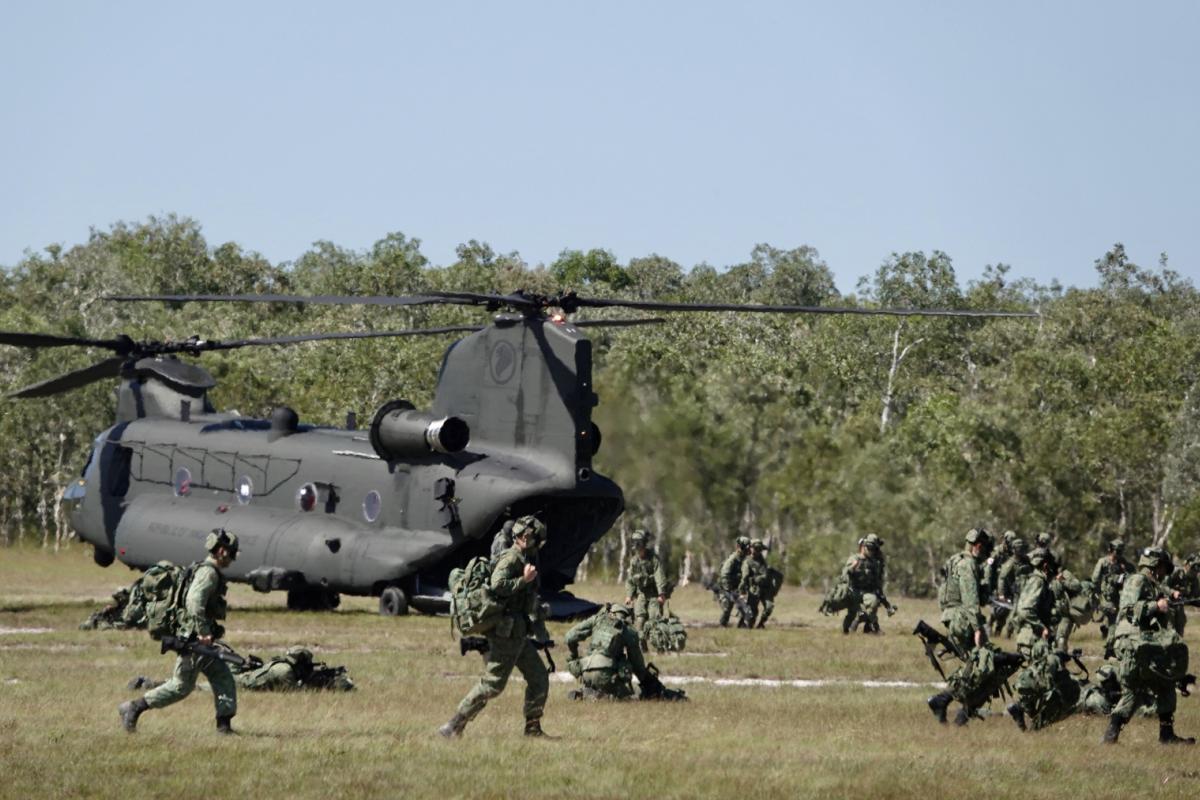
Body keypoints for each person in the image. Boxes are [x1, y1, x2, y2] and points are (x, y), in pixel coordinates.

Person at [118, 528, 240, 734]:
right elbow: (194, 602)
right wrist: (202, 632)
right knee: (180, 686)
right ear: (222, 551)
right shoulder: (208, 573)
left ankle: (224, 727)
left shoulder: (204, 570)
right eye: (232, 553)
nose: (233, 558)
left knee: (222, 678)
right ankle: (134, 707)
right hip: (195, 640)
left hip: (197, 639)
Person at [439, 515, 551, 738]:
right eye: (537, 540)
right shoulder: (511, 559)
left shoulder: (523, 558)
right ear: (527, 538)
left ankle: (532, 728)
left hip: (518, 632)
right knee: (493, 684)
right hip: (506, 634)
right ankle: (453, 725)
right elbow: (497, 585)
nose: (539, 545)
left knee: (539, 677)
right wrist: (523, 581)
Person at [1103, 546, 1194, 745]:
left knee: (1154, 686)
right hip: (1133, 645)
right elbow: (1129, 609)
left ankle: (1162, 735)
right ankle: (1116, 735)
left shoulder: (1152, 584)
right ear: (1155, 565)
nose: (1164, 573)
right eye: (1163, 568)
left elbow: (1160, 596)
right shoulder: (1137, 580)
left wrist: (1171, 598)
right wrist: (1156, 606)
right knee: (1147, 687)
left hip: (1143, 645)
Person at [926, 528, 997, 726]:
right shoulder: (967, 565)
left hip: (954, 617)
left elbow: (945, 595)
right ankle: (948, 704)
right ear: (978, 546)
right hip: (964, 619)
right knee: (983, 667)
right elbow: (971, 601)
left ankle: (954, 709)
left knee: (974, 667)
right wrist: (978, 629)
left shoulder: (955, 561)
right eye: (985, 552)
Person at [1007, 548, 1081, 731]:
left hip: (1032, 639)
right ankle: (1025, 711)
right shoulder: (1038, 581)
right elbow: (1025, 610)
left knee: (1040, 680)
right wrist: (1042, 627)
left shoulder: (1035, 580)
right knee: (1048, 682)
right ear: (1046, 565)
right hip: (1034, 640)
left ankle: (1025, 713)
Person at [565, 604, 658, 699]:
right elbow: (636, 663)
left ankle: (585, 694)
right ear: (627, 616)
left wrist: (574, 656)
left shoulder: (597, 619)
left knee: (597, 687)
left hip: (586, 672)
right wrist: (647, 681)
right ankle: (601, 696)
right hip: (606, 674)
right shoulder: (627, 629)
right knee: (628, 698)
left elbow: (569, 637)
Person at [838, 534, 890, 634]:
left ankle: (872, 627)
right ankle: (847, 629)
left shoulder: (875, 562)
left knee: (873, 604)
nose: (871, 550)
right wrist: (852, 567)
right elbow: (844, 575)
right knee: (851, 614)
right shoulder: (854, 559)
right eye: (869, 547)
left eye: (873, 548)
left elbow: (877, 580)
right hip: (853, 591)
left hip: (868, 591)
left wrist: (880, 595)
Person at [624, 529, 668, 644]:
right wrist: (629, 596)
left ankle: (659, 644)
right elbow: (630, 580)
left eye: (639, 544)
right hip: (641, 594)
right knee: (640, 618)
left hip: (653, 594)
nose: (638, 549)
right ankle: (641, 646)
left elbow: (659, 576)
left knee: (654, 618)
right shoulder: (634, 561)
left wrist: (661, 593)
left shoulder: (653, 559)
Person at [993, 538, 1031, 637]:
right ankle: (1006, 633)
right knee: (1011, 613)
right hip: (1013, 593)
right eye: (1020, 549)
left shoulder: (1026, 561)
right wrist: (1001, 594)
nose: (1023, 551)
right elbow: (1001, 578)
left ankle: (1010, 633)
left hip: (1024, 592)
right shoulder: (1010, 563)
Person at [1092, 538, 1134, 629]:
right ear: (1111, 550)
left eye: (1120, 552)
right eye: (1117, 551)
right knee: (1112, 614)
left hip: (1119, 594)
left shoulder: (1123, 562)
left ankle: (1106, 627)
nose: (1119, 554)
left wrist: (1124, 569)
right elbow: (1095, 579)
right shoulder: (1103, 562)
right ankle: (1107, 629)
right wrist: (1097, 593)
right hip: (1106, 595)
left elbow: (1132, 572)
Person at [740, 539, 780, 629]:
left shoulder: (762, 559)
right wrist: (742, 590)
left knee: (769, 607)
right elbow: (744, 577)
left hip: (766, 589)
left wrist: (775, 588)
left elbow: (773, 575)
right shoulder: (747, 562)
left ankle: (761, 624)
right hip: (755, 589)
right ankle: (747, 625)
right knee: (753, 612)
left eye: (759, 549)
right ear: (751, 549)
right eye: (756, 549)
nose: (758, 551)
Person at [717, 536, 751, 627]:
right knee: (728, 607)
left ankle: (742, 625)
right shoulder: (732, 560)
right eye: (746, 547)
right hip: (729, 588)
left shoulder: (746, 560)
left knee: (746, 606)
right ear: (739, 547)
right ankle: (723, 624)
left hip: (739, 588)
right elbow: (724, 575)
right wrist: (728, 590)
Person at [1166, 553, 1200, 636]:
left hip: (1179, 607)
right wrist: (1172, 592)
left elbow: (1195, 597)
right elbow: (1162, 585)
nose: (1196, 571)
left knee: (1180, 629)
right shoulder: (1176, 572)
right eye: (1194, 568)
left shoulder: (1194, 579)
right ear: (1187, 565)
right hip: (1166, 606)